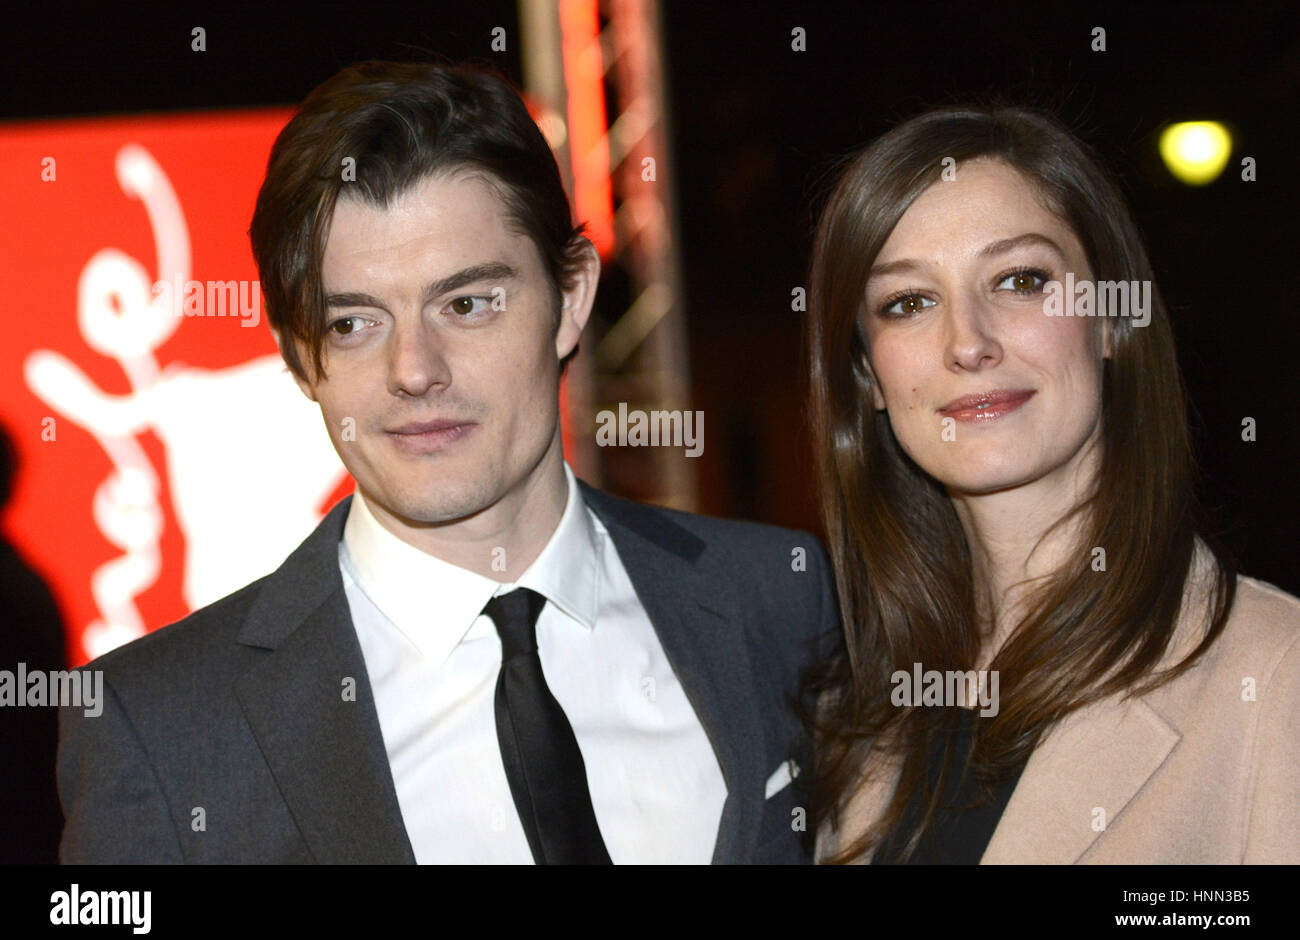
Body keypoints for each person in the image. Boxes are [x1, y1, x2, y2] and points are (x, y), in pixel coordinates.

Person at [57, 61, 838, 864]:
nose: (415, 369)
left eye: (465, 305)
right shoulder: (160, 731)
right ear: (298, 357)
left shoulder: (776, 601)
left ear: (571, 299)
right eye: (355, 323)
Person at [801, 105, 1300, 864]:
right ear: (869, 374)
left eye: (1021, 279)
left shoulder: (1276, 678)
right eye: (908, 302)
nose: (968, 342)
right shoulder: (855, 718)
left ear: (1109, 321)